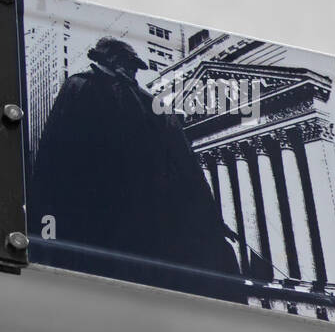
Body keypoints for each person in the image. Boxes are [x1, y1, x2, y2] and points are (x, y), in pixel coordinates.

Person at [29, 36, 242, 293]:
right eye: (130, 65)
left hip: (129, 224)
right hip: (103, 220)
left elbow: (187, 166)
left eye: (134, 67)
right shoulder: (83, 87)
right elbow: (56, 155)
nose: (133, 72)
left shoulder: (143, 102)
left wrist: (211, 218)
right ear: (112, 62)